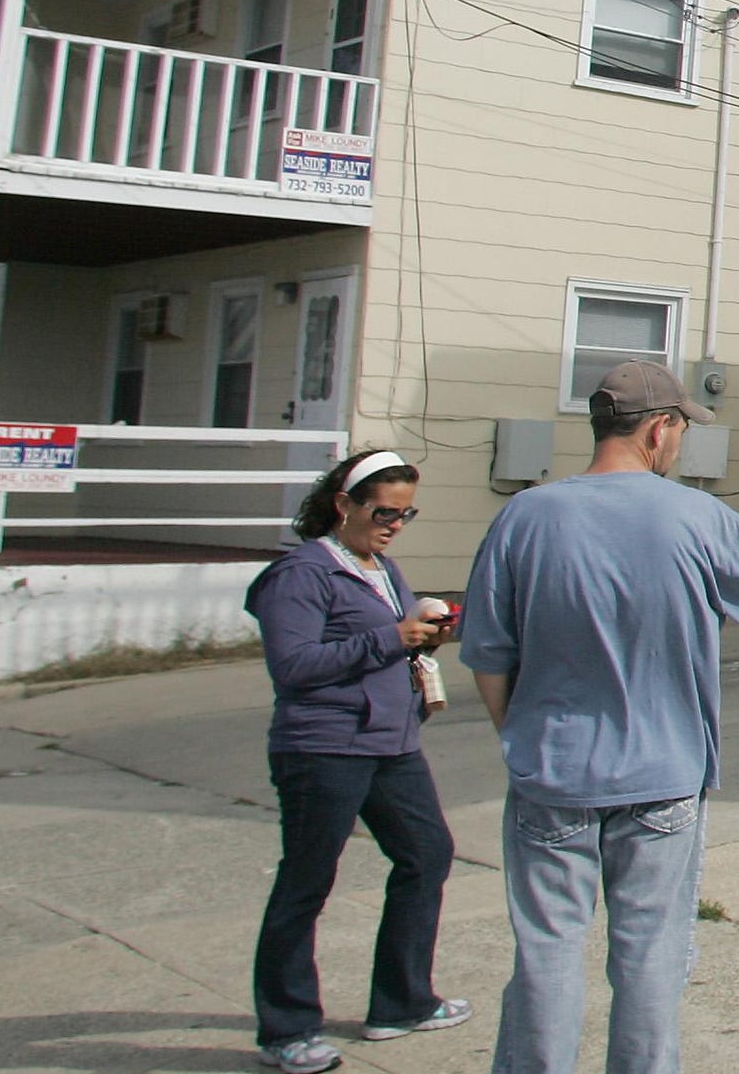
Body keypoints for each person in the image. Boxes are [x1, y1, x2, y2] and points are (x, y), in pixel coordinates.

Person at [458, 360, 739, 1074]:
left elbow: (486, 651)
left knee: (546, 953)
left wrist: (520, 734)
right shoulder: (695, 515)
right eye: (680, 430)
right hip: (663, 778)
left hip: (552, 772)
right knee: (648, 958)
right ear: (660, 429)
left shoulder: (524, 517)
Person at [243, 448, 469, 1073]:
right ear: (343, 504)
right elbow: (293, 666)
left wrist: (424, 636)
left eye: (406, 513)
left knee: (426, 855)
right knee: (306, 882)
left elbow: (388, 646)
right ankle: (287, 1030)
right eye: (383, 512)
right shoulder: (301, 574)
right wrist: (389, 637)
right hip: (322, 748)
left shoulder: (380, 568)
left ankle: (401, 1003)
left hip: (390, 743)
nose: (394, 524)